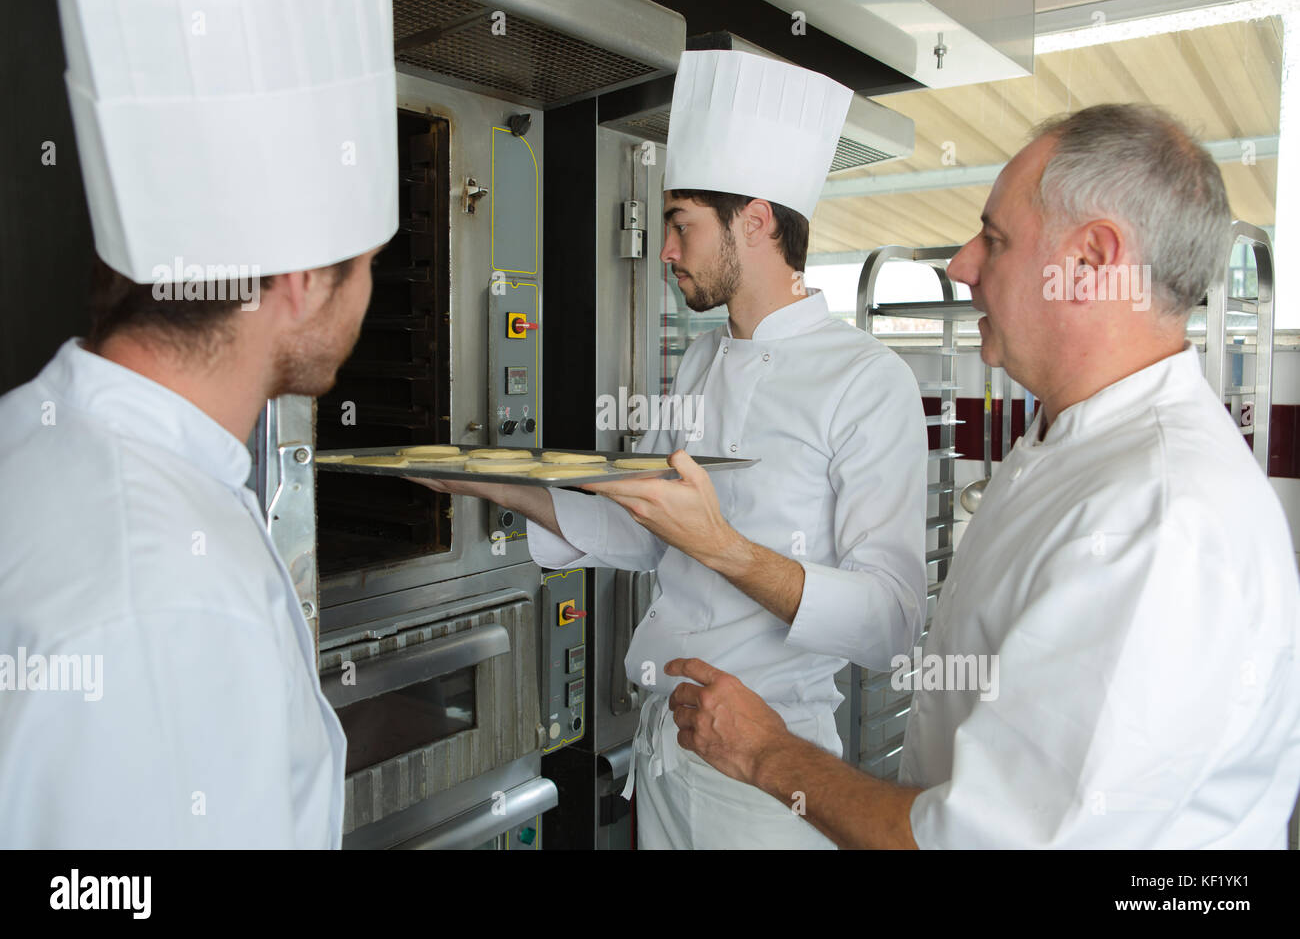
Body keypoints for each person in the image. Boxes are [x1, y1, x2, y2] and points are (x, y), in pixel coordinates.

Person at [662, 103, 1300, 848]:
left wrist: (767, 750)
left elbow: (982, 841)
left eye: (994, 239)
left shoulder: (1159, 519)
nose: (961, 265)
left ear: (1091, 262)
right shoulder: (1068, 446)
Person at [414, 50, 928, 848]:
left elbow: (890, 623)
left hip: (770, 774)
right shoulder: (698, 360)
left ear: (756, 222)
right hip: (669, 748)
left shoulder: (869, 380)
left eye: (683, 224)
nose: (665, 251)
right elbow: (641, 534)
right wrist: (490, 482)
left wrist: (725, 549)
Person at [0, 0, 398, 847]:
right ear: (299, 282)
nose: (369, 293)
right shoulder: (174, 614)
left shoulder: (29, 438)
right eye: (367, 262)